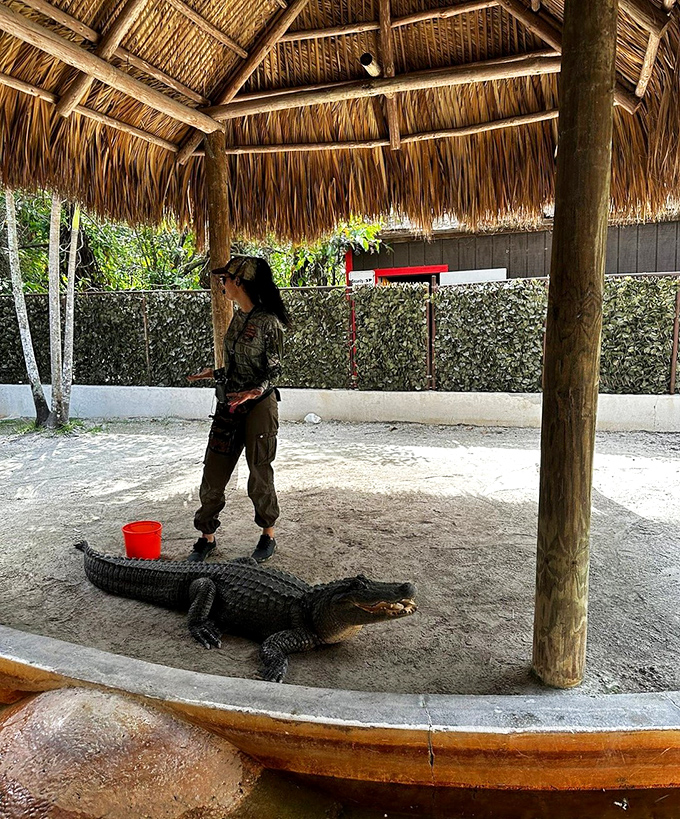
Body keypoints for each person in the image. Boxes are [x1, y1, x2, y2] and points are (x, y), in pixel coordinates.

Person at [186, 255, 289, 563]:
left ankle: (267, 534)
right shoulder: (238, 318)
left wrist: (255, 390)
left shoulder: (269, 322)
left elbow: (276, 370)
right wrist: (214, 373)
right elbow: (236, 366)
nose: (222, 284)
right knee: (213, 471)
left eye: (225, 279)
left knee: (259, 472)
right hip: (230, 404)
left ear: (239, 282)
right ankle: (207, 537)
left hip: (259, 407)